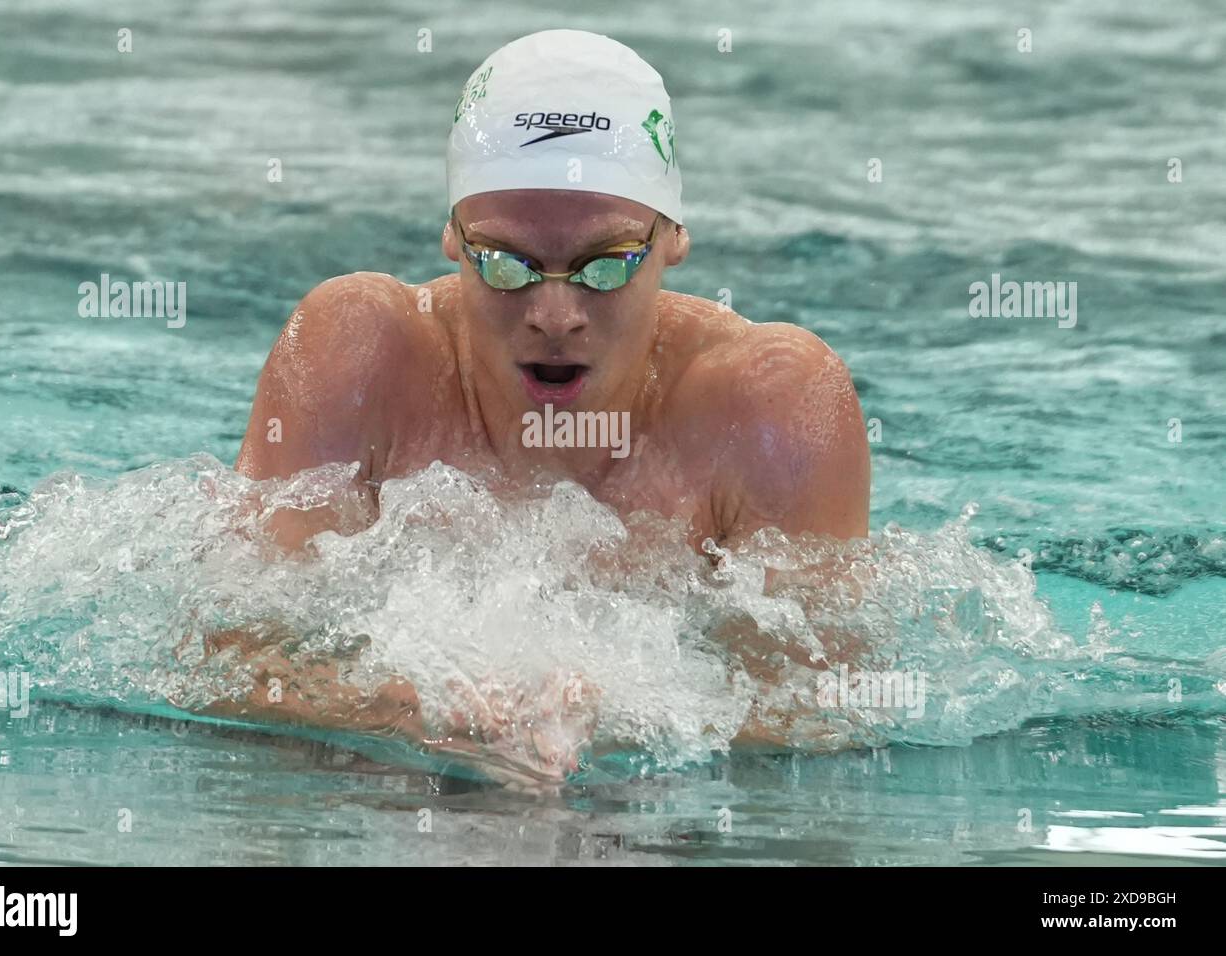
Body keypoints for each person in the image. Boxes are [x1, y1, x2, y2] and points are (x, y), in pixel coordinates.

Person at [210, 29, 870, 785]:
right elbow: (230, 657)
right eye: (507, 263)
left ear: (674, 238)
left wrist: (624, 722)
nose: (555, 313)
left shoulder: (773, 406)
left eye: (606, 264)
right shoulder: (357, 356)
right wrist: (405, 714)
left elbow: (825, 713)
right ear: (452, 239)